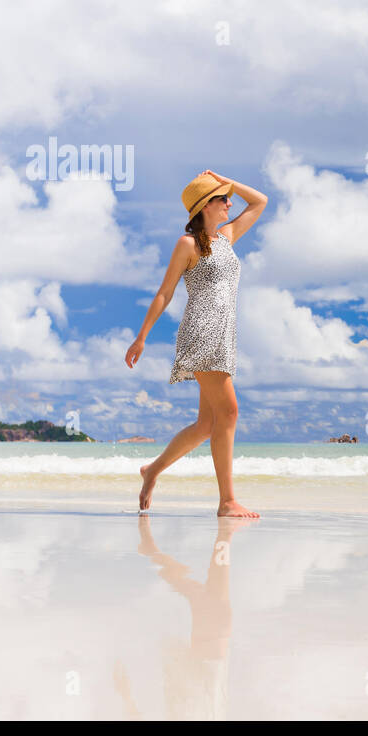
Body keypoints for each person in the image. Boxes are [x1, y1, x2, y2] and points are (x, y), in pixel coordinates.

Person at [125, 170, 268, 517]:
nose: (230, 204)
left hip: (224, 337)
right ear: (205, 206)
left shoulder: (227, 237)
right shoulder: (187, 245)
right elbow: (165, 292)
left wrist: (227, 180)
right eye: (222, 199)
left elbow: (260, 201)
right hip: (201, 334)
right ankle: (227, 501)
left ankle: (152, 471)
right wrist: (142, 336)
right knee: (230, 412)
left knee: (207, 424)